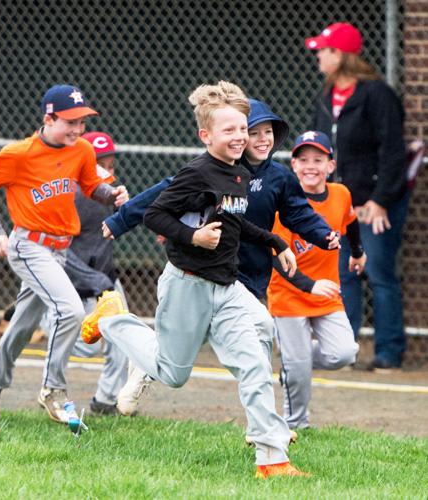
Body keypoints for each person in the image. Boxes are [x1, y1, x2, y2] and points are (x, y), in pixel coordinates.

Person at [83, 81, 306, 478]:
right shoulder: (196, 174)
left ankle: (272, 459)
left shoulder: (238, 173)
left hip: (227, 287)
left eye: (243, 128)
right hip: (187, 285)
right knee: (173, 374)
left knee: (256, 359)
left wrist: (275, 241)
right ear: (206, 135)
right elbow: (155, 215)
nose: (239, 137)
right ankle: (111, 319)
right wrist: (194, 236)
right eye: (229, 130)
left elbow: (235, 221)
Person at [106, 98, 338, 417]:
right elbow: (162, 195)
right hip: (204, 271)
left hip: (247, 273)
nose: (261, 139)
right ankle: (149, 363)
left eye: (267, 132)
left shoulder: (279, 177)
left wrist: (323, 234)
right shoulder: (213, 171)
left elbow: (298, 213)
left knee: (259, 332)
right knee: (185, 355)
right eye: (252, 132)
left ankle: (263, 425)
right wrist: (121, 220)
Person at [0, 84, 128, 425]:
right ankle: (53, 388)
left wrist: (111, 194)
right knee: (70, 309)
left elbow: (90, 186)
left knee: (24, 324)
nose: (78, 129)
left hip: (59, 248)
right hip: (29, 245)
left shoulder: (82, 150)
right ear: (49, 118)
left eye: (82, 121)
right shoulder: (20, 153)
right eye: (70, 122)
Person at [306, 22, 410, 371]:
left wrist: (380, 200)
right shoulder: (325, 96)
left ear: (341, 55)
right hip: (340, 204)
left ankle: (389, 353)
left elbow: (393, 152)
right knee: (341, 275)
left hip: (375, 205)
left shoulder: (377, 94)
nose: (319, 57)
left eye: (324, 50)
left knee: (378, 271)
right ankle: (343, 351)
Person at [268, 130, 363, 429]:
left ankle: (295, 359)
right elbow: (278, 258)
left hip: (326, 293)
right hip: (289, 293)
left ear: (330, 166)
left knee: (344, 353)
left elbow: (351, 221)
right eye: (304, 160)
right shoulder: (284, 203)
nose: (311, 166)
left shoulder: (341, 194)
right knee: (297, 372)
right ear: (294, 165)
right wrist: (309, 285)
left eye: (318, 160)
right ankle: (296, 424)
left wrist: (357, 252)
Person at [65, 131, 130, 416]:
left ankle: (106, 399)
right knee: (86, 347)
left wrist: (125, 205)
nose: (106, 169)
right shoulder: (73, 196)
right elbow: (60, 252)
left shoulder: (109, 192)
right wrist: (94, 281)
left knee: (122, 337)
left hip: (105, 278)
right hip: (75, 281)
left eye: (109, 163)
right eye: (98, 164)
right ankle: (45, 321)